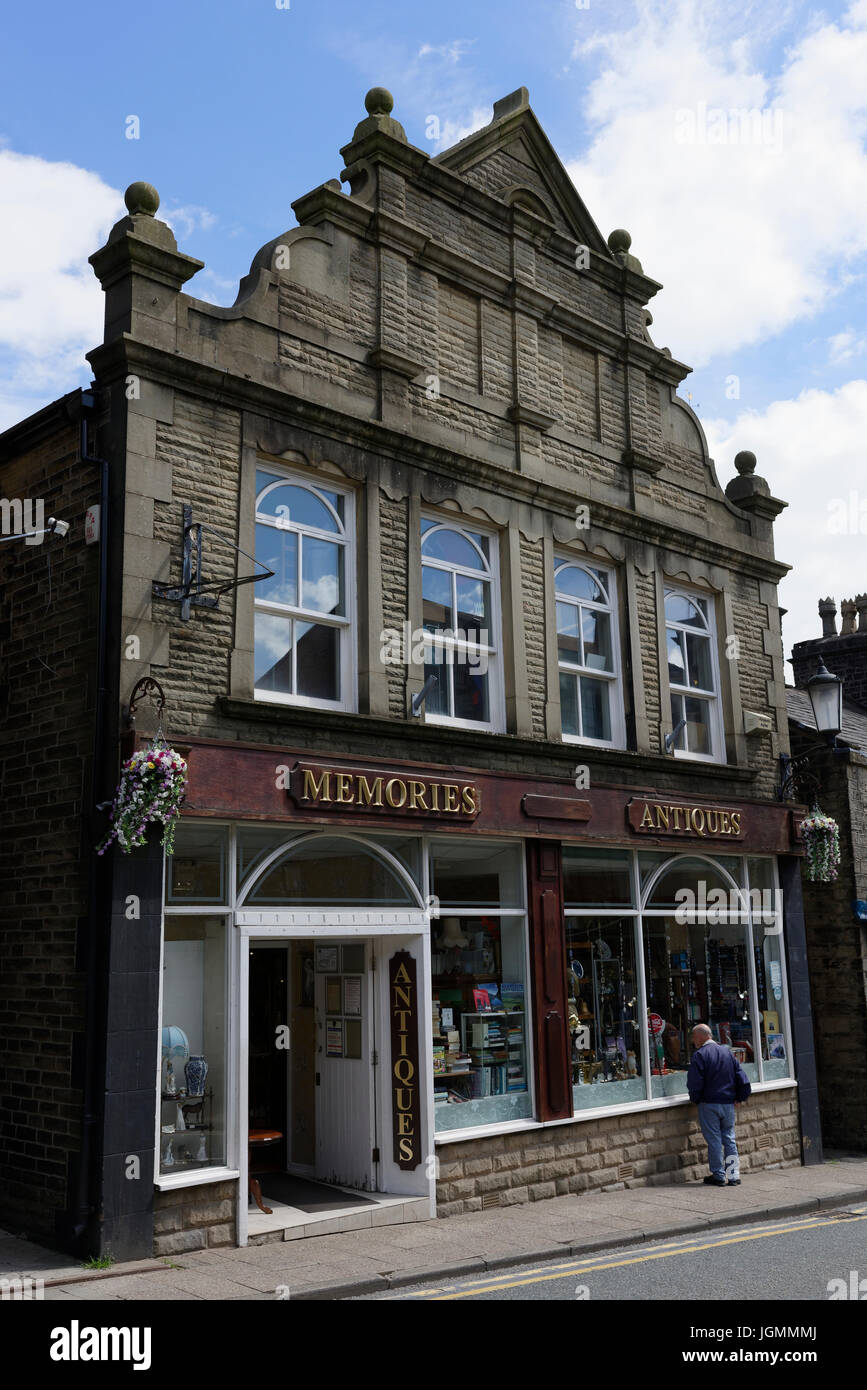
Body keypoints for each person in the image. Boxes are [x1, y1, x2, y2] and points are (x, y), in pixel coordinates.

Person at [686, 1023, 751, 1186]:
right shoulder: (727, 1052)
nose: (693, 1040)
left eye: (694, 1036)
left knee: (714, 1139)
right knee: (729, 1138)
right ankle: (733, 1175)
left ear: (702, 1036)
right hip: (728, 1103)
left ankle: (719, 1175)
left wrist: (695, 1098)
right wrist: (740, 1097)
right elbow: (741, 1077)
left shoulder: (700, 1055)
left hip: (709, 1104)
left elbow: (695, 1082)